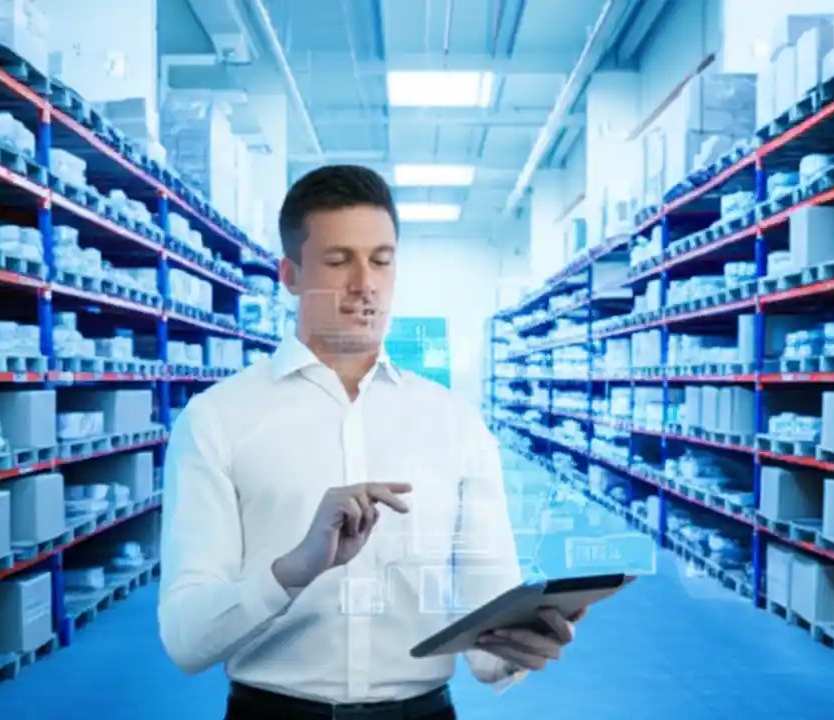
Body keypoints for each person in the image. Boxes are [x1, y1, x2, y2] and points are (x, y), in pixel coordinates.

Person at [158, 164, 584, 720]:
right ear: (290, 274)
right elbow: (186, 639)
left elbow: (487, 628)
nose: (366, 284)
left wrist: (519, 646)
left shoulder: (454, 422)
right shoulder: (218, 419)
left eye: (382, 260)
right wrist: (294, 569)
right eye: (338, 262)